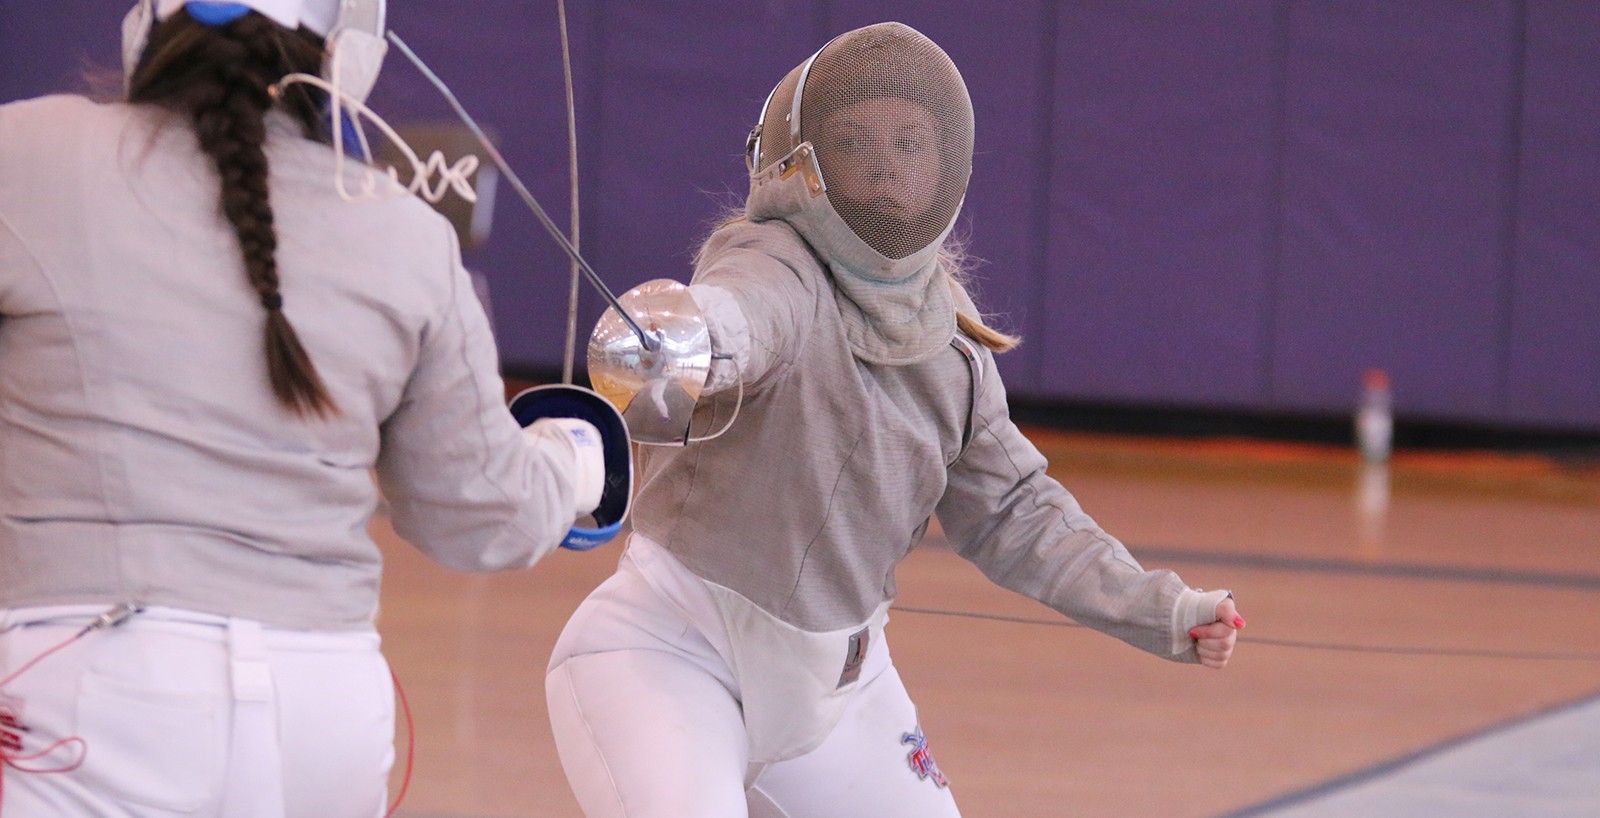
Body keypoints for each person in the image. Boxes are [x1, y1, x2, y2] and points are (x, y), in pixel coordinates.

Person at [544, 21, 1245, 818]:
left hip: (839, 698)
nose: (883, 167)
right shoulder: (776, 262)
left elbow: (1020, 514)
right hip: (667, 659)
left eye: (908, 145)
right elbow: (747, 313)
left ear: (947, 166)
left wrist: (1163, 610)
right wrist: (688, 341)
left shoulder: (952, 353)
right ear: (800, 163)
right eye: (855, 143)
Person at [0, 1, 621, 815]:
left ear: (147, 25)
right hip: (326, 711)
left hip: (90, 689)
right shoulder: (404, 231)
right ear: (348, 55)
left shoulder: (25, 153)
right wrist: (577, 459)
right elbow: (480, 514)